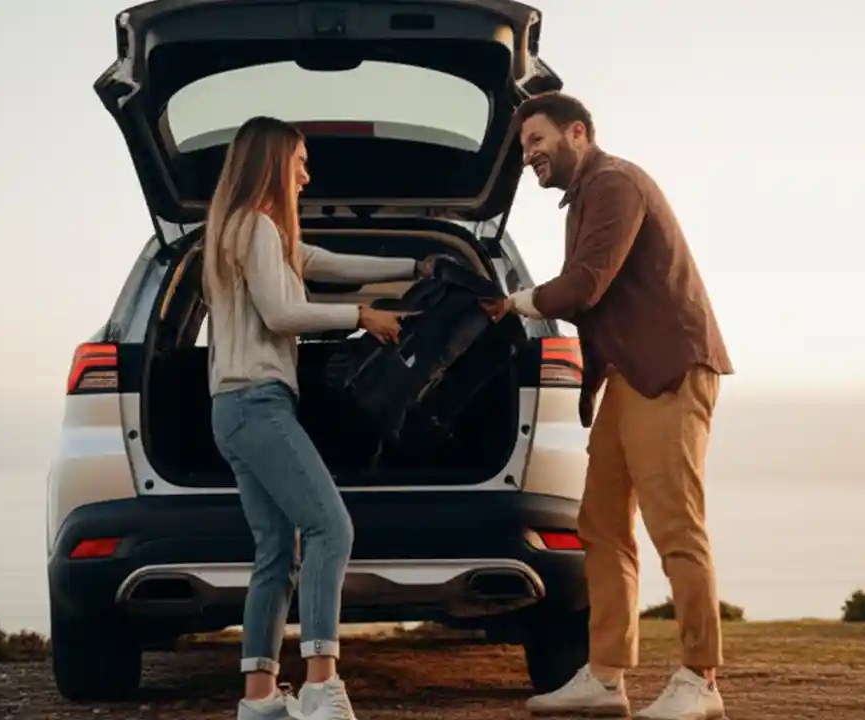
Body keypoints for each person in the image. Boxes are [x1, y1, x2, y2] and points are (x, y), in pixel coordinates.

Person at [483, 92, 733, 720]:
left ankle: (700, 680)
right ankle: (604, 676)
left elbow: (585, 285)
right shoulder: (585, 199)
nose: (529, 155)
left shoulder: (615, 183)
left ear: (577, 132)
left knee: (675, 524)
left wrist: (516, 302)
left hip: (669, 370)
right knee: (600, 524)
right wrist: (590, 385)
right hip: (628, 379)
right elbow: (599, 305)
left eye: (537, 140)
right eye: (524, 146)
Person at [203, 116, 433, 720]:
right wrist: (361, 316)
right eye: (300, 162)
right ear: (273, 162)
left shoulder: (243, 229)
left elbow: (329, 262)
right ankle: (320, 684)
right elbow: (282, 314)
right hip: (256, 402)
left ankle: (259, 699)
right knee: (332, 528)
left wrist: (414, 266)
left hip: (234, 409)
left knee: (276, 553)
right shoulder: (254, 226)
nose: (307, 174)